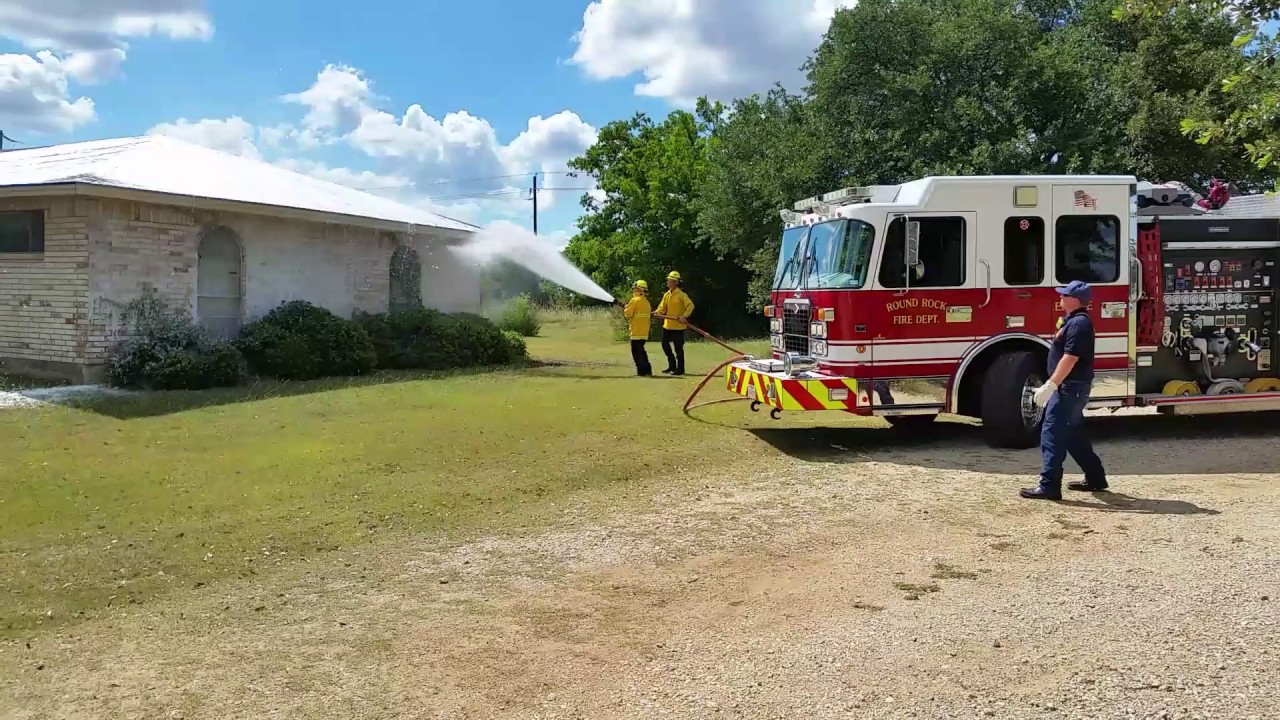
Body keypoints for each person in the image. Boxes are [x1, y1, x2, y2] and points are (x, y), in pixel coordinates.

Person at [1020, 280, 1110, 500]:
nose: (1059, 298)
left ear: (1074, 300)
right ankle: (1096, 478)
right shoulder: (1074, 322)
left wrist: (1051, 385)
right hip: (1072, 388)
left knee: (1052, 433)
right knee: (1073, 435)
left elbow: (1070, 359)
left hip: (1069, 388)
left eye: (1063, 295)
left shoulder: (1079, 324)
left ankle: (1049, 485)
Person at [654, 270, 694, 376]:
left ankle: (680, 369)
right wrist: (656, 313)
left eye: (671, 280)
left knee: (678, 349)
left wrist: (684, 316)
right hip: (667, 325)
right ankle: (672, 366)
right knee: (665, 345)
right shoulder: (667, 295)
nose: (668, 282)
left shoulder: (681, 295)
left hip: (678, 327)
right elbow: (662, 308)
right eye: (668, 280)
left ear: (676, 282)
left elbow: (690, 306)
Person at [622, 279, 652, 376]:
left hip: (636, 331)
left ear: (639, 289)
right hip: (644, 332)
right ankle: (647, 370)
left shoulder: (634, 300)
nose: (633, 290)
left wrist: (626, 308)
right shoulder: (646, 302)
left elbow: (628, 314)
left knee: (636, 352)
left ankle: (642, 372)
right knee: (641, 350)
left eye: (635, 288)